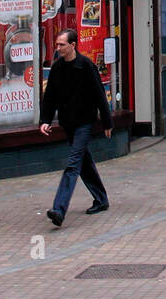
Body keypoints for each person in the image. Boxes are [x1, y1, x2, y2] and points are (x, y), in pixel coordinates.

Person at [40, 28, 112, 227]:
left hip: (84, 122)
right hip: (68, 122)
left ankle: (59, 209)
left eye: (62, 45)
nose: (58, 48)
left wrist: (107, 122)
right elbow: (50, 97)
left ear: (73, 45)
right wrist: (45, 120)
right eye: (57, 44)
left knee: (73, 164)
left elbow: (99, 94)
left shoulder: (87, 66)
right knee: (84, 161)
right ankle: (101, 199)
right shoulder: (57, 68)